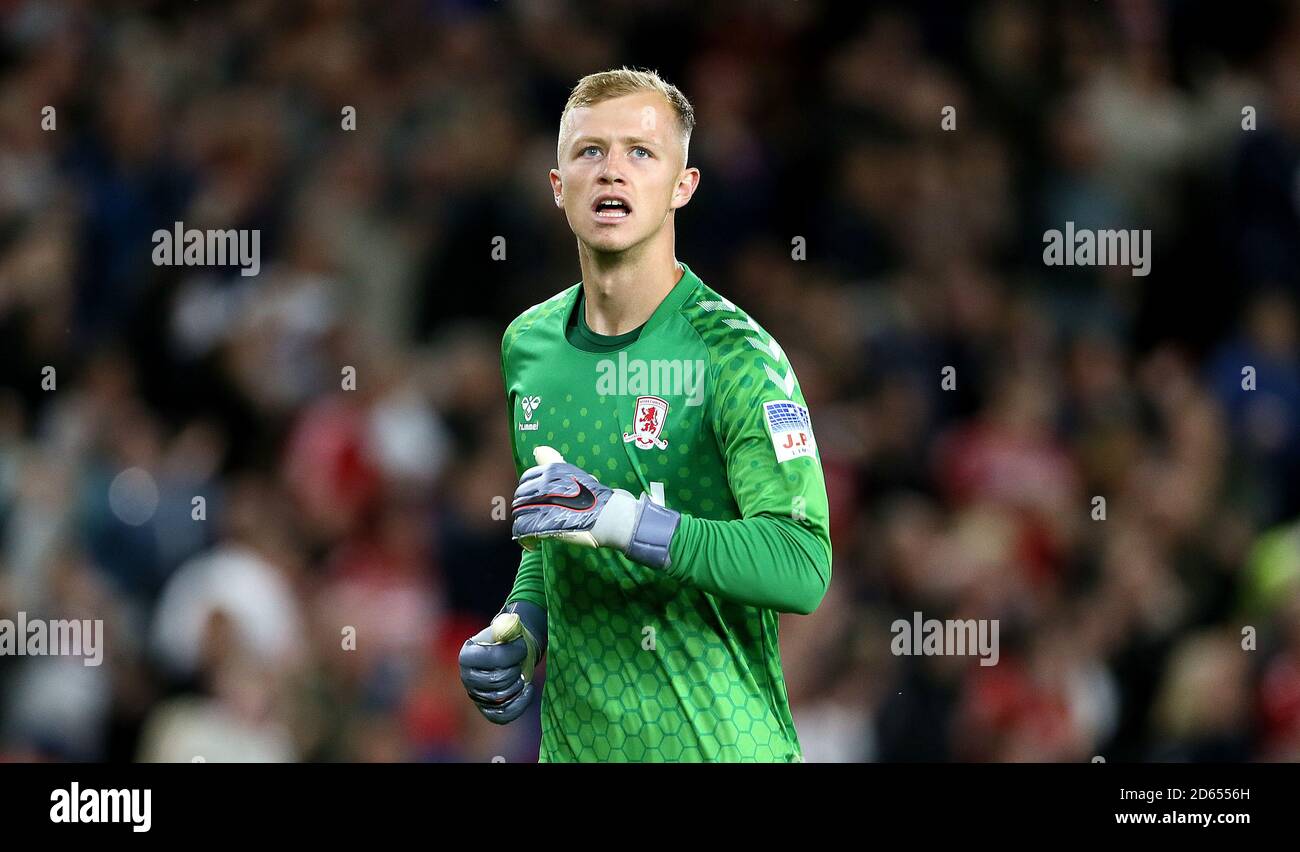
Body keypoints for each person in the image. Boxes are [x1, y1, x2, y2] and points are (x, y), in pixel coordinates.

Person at [459, 67, 831, 762]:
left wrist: (628, 523)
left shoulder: (737, 357)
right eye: (590, 151)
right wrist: (520, 626)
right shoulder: (528, 347)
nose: (612, 172)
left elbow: (800, 564)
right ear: (558, 185)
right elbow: (554, 536)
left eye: (641, 152)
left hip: (719, 748)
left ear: (681, 187)